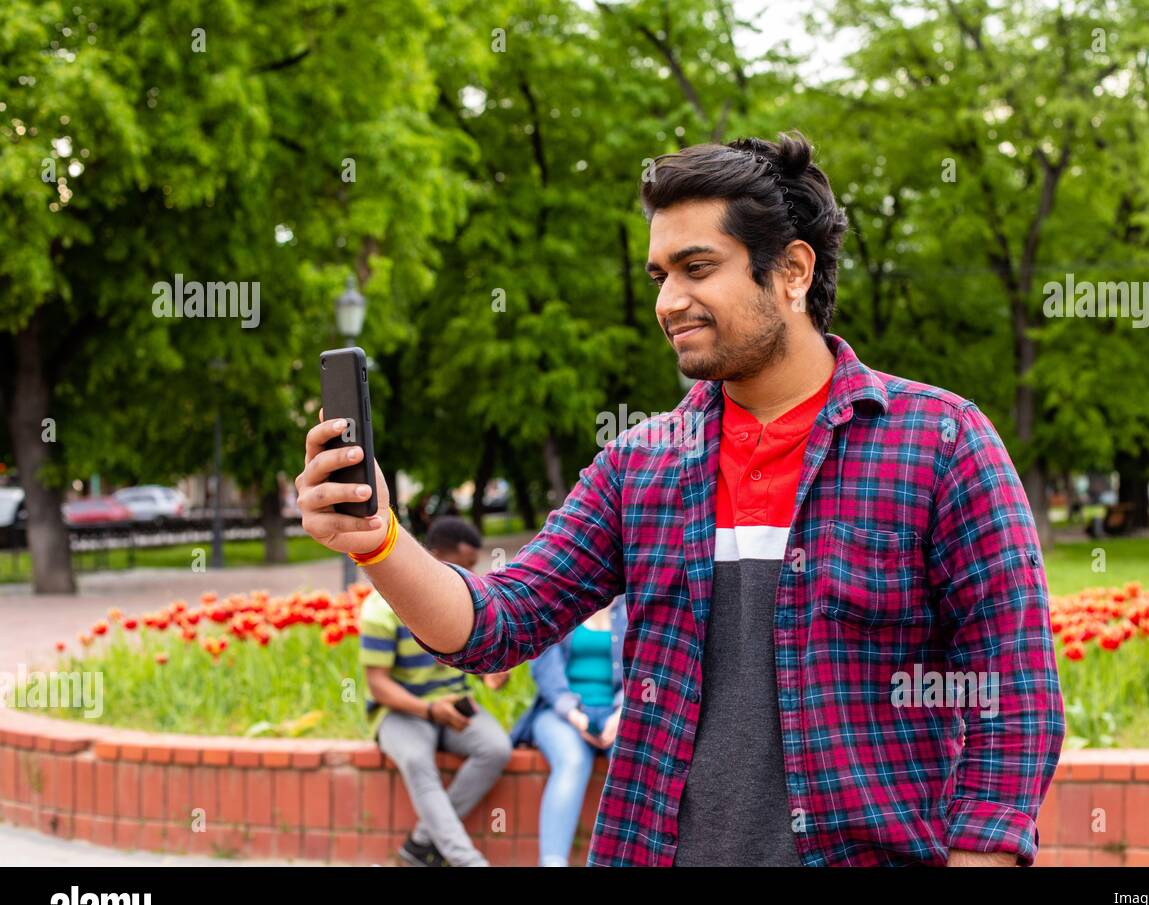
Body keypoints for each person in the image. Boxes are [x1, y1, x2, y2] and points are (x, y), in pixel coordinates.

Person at [299, 130, 1065, 867]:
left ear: (792, 271)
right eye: (660, 275)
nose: (669, 301)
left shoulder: (939, 443)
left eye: (697, 268)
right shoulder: (641, 464)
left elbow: (1017, 692)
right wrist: (378, 539)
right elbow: (499, 623)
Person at [358, 515, 512, 867]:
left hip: (454, 707)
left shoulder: (468, 603)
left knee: (496, 749)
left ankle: (420, 845)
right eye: (467, 564)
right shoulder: (380, 610)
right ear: (438, 555)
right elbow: (378, 685)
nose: (475, 574)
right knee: (417, 761)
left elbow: (468, 658)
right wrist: (428, 711)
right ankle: (467, 860)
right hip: (401, 712)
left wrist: (488, 674)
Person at [510, 596, 627, 866]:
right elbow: (544, 669)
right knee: (573, 761)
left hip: (619, 713)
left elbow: (647, 667)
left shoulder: (633, 606)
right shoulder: (562, 605)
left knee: (627, 765)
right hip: (560, 714)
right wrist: (576, 717)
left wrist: (622, 714)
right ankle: (553, 862)